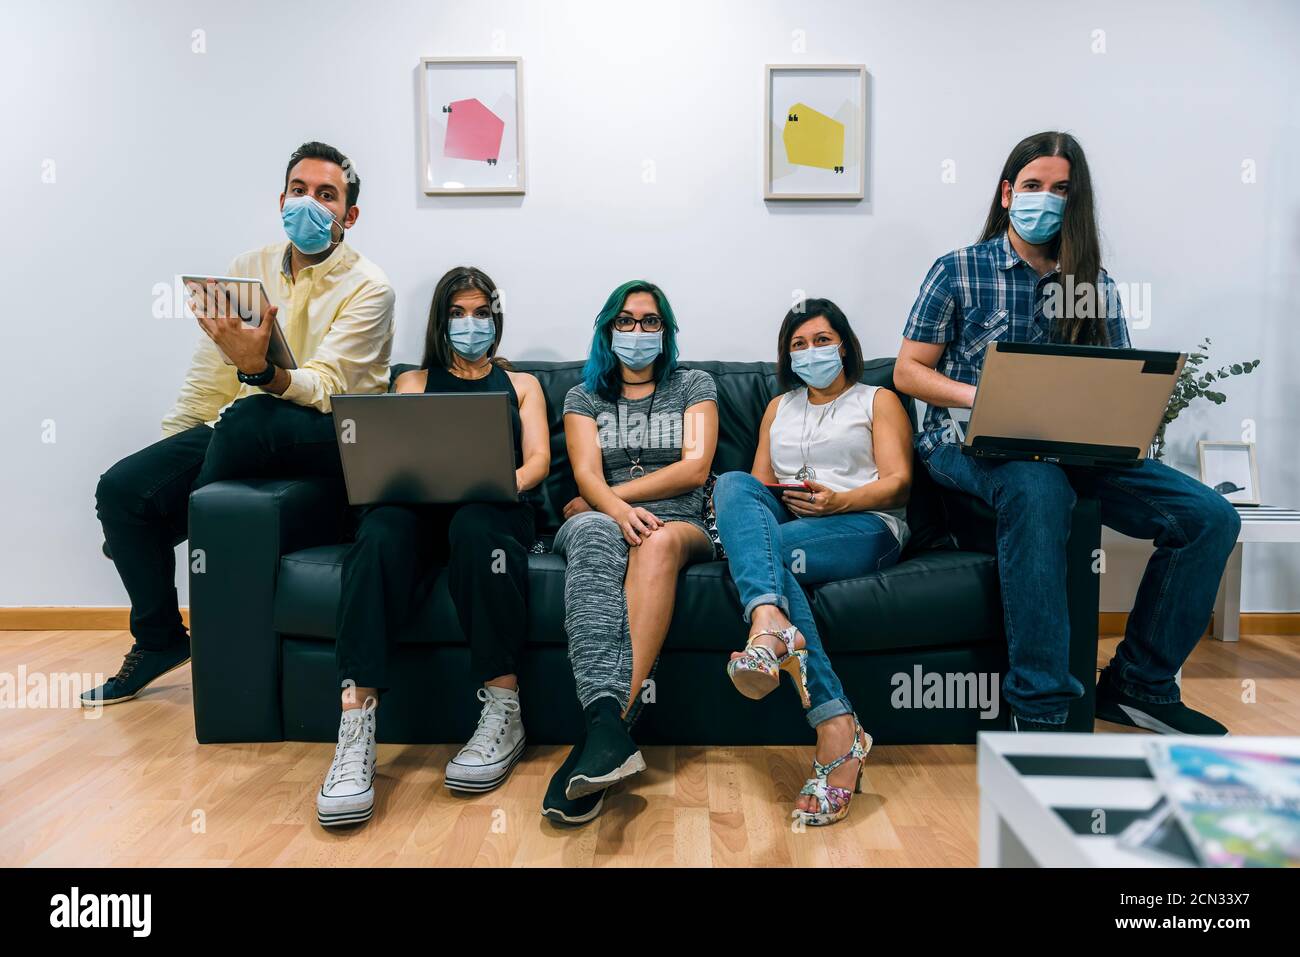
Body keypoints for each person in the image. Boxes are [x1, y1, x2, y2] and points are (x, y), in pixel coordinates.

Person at [894, 130, 1239, 735]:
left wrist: (1127, 417)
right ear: (1007, 194)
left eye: (1059, 190)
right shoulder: (959, 269)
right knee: (1039, 489)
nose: (1043, 199)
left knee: (1210, 518)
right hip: (965, 443)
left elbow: (1120, 378)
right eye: (1032, 186)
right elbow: (908, 371)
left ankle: (1140, 686)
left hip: (1070, 446)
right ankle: (1043, 709)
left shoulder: (1094, 284)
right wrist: (988, 399)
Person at [87, 141, 394, 706]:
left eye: (327, 195)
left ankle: (178, 520)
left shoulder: (371, 288)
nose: (309, 203)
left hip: (336, 440)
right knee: (121, 490)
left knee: (254, 411)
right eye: (299, 191)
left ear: (349, 216)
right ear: (281, 199)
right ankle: (158, 639)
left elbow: (325, 388)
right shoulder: (245, 271)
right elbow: (208, 382)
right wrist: (160, 482)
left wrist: (261, 371)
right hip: (243, 429)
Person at [317, 266, 549, 827]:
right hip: (420, 513)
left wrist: (498, 481)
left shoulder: (522, 385)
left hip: (493, 513)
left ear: (496, 318)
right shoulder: (412, 383)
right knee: (380, 532)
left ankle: (504, 709)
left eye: (481, 312)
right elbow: (395, 460)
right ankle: (355, 726)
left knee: (475, 524)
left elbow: (538, 462)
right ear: (440, 321)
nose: (471, 325)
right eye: (457, 313)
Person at [712, 299, 912, 826]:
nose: (811, 351)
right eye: (798, 344)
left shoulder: (878, 399)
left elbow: (898, 482)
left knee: (767, 551)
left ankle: (773, 634)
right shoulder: (778, 407)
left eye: (822, 340)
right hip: (789, 528)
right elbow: (756, 489)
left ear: (844, 344)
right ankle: (832, 714)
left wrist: (839, 501)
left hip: (866, 524)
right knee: (732, 484)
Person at [541, 280, 718, 825]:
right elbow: (585, 473)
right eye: (625, 321)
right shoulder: (582, 396)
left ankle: (607, 725)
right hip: (599, 520)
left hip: (681, 519)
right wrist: (611, 512)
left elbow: (694, 468)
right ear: (607, 330)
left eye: (650, 321)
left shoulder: (694, 385)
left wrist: (610, 501)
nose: (637, 332)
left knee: (657, 538)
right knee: (593, 533)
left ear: (665, 332)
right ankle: (605, 729)